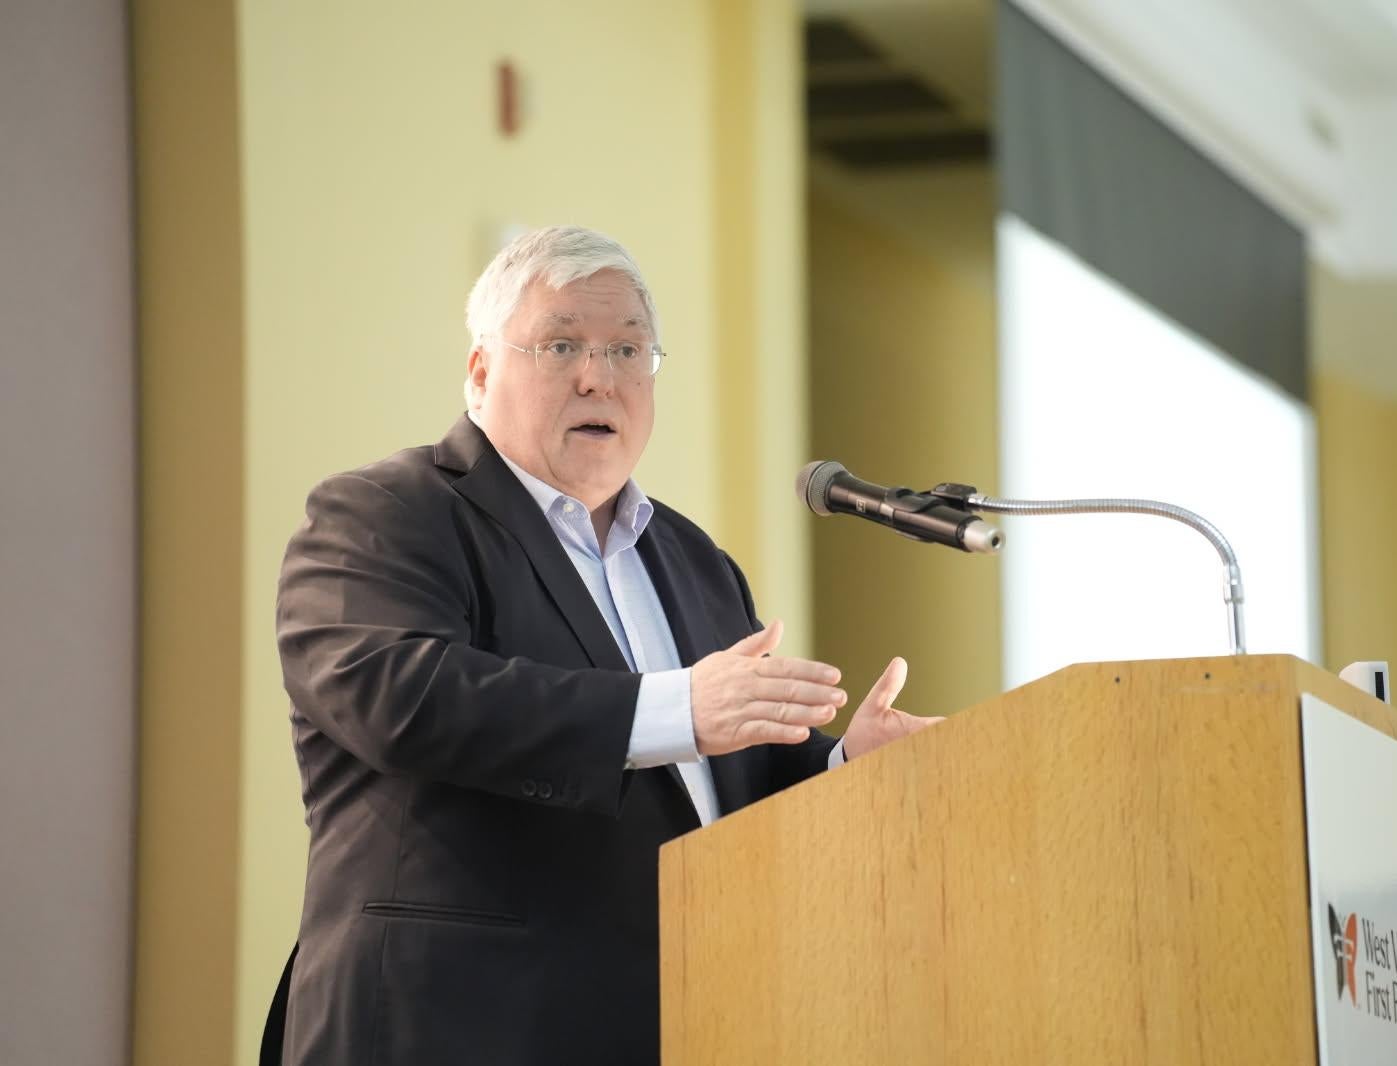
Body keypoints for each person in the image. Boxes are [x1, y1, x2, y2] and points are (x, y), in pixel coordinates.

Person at [268, 225, 938, 1065]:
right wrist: (671, 708)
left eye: (629, 350)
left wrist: (844, 773)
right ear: (480, 372)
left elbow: (732, 785)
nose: (599, 376)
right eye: (560, 345)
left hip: (674, 1022)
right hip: (450, 1023)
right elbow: (395, 695)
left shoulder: (696, 563)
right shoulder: (387, 513)